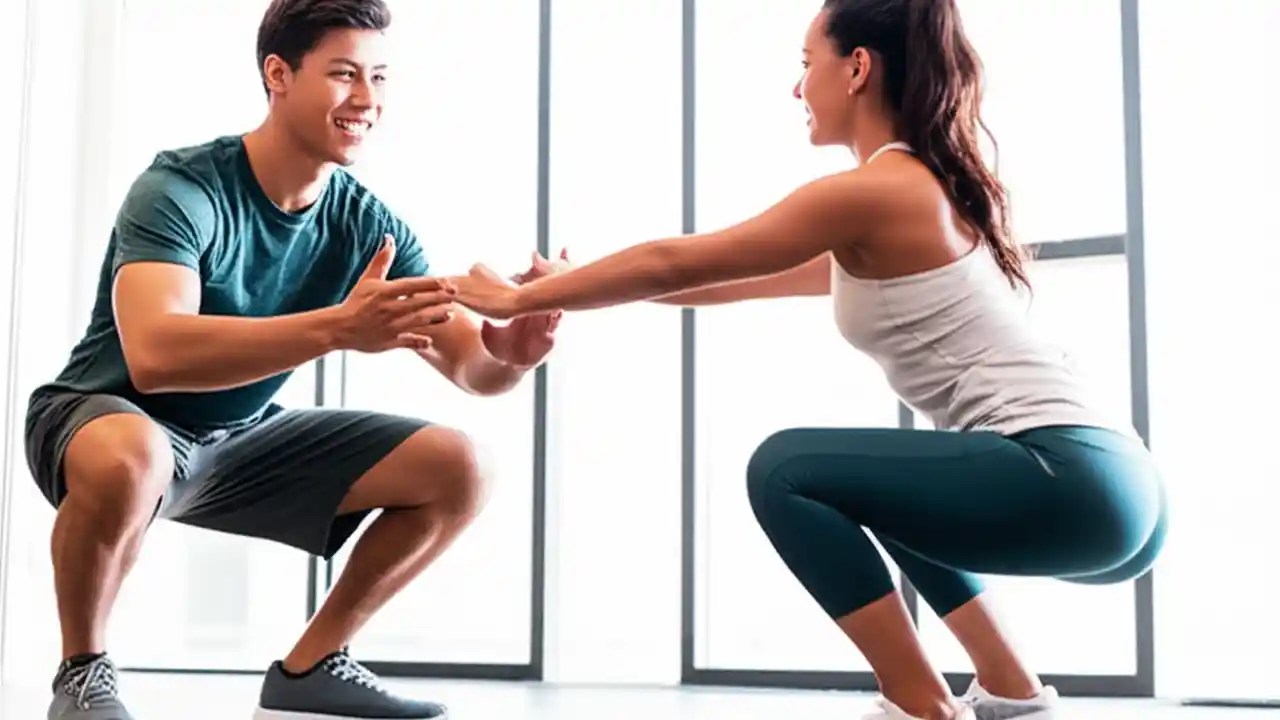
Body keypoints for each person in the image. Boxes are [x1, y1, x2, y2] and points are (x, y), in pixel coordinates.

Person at [452, 1, 1167, 719]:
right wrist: (564, 289)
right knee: (879, 486)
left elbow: (678, 259)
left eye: (806, 64)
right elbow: (716, 279)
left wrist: (508, 304)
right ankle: (1014, 695)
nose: (798, 89)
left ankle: (918, 703)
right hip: (1116, 488)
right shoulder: (915, 193)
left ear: (857, 67)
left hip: (1068, 479)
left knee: (785, 469)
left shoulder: (875, 193)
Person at [24, 1, 562, 718]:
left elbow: (472, 364)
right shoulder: (183, 189)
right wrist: (337, 329)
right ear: (278, 74)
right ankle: (82, 674)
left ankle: (312, 667)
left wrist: (515, 352)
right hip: (104, 417)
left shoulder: (367, 224)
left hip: (236, 438)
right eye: (343, 75)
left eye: (378, 77)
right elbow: (154, 354)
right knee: (133, 455)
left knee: (463, 466)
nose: (367, 100)